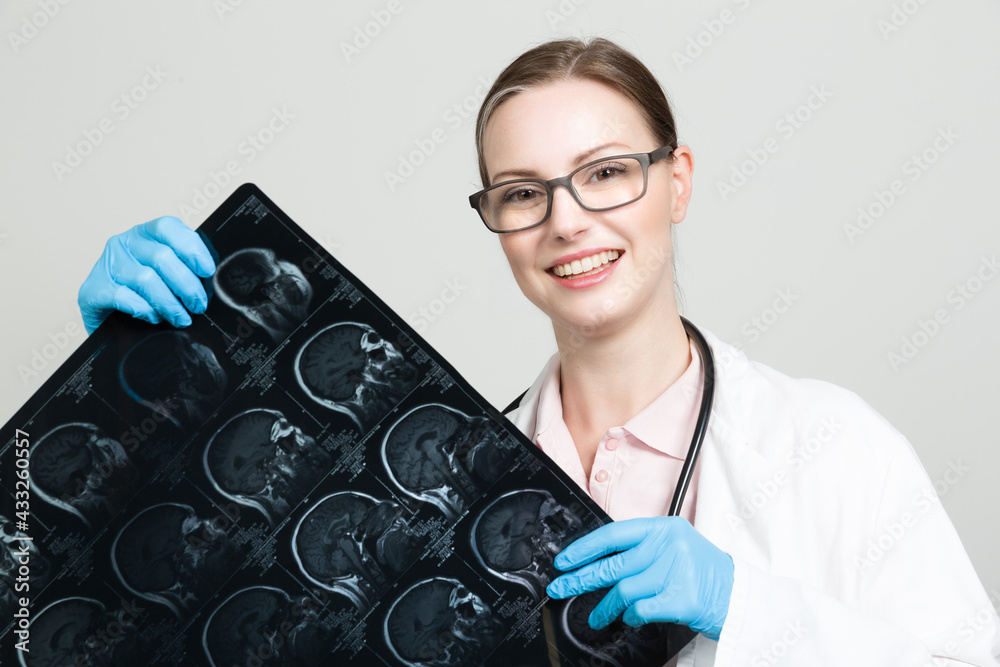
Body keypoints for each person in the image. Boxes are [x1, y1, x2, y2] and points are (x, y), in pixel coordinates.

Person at [79, 38, 999, 665]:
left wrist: (745, 608)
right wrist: (133, 387)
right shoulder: (438, 487)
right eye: (521, 192)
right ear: (496, 222)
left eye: (605, 172)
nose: (568, 221)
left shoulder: (830, 446)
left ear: (675, 182)